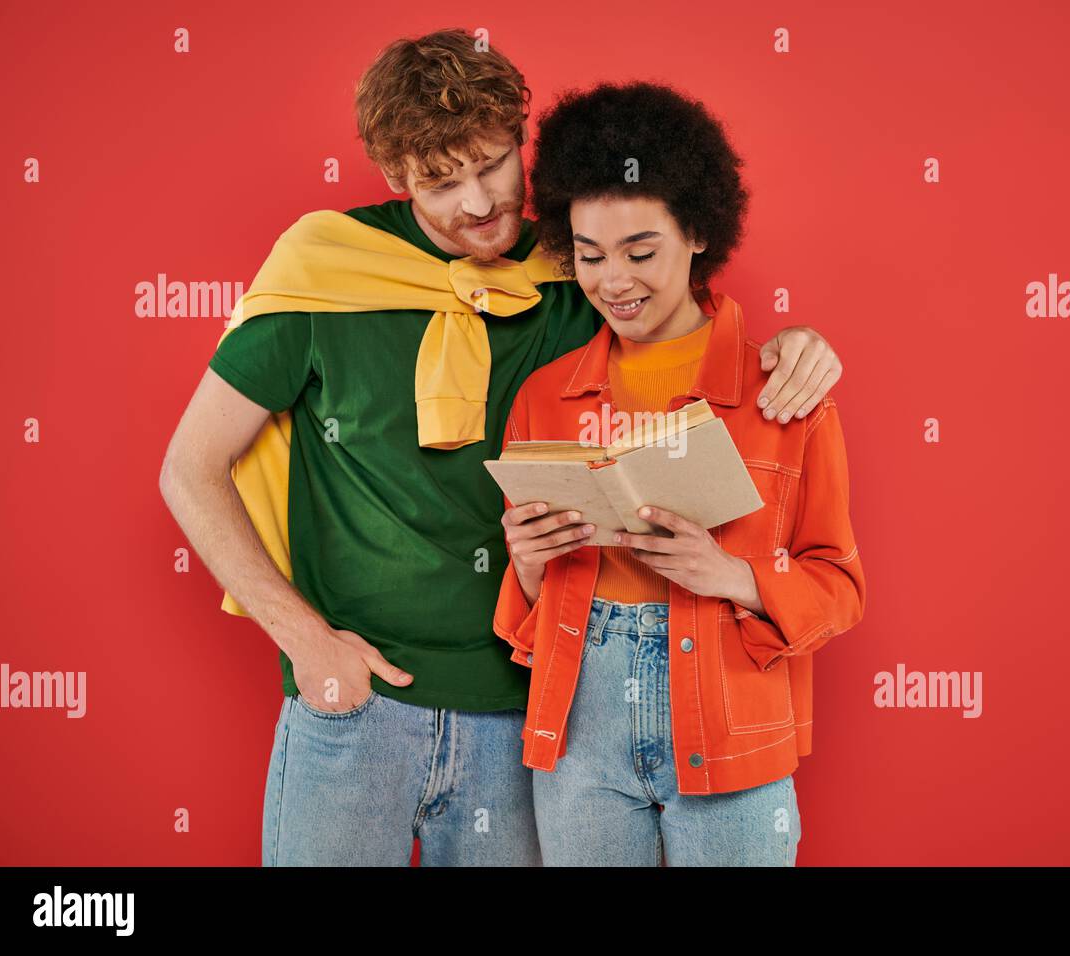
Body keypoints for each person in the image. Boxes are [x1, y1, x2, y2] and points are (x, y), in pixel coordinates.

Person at [157, 31, 846, 867]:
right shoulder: (324, 273)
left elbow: (675, 311)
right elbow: (189, 467)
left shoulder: (572, 270)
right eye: (440, 182)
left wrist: (799, 343)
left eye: (492, 165)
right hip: (357, 703)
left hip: (528, 726)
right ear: (394, 176)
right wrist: (306, 642)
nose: (478, 203)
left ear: (525, 144)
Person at [495, 81, 867, 866]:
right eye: (590, 256)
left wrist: (731, 576)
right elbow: (524, 620)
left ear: (697, 232)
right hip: (577, 732)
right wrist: (528, 562)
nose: (614, 282)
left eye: (641, 252)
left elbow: (841, 589)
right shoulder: (542, 398)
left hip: (733, 721)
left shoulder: (786, 393)